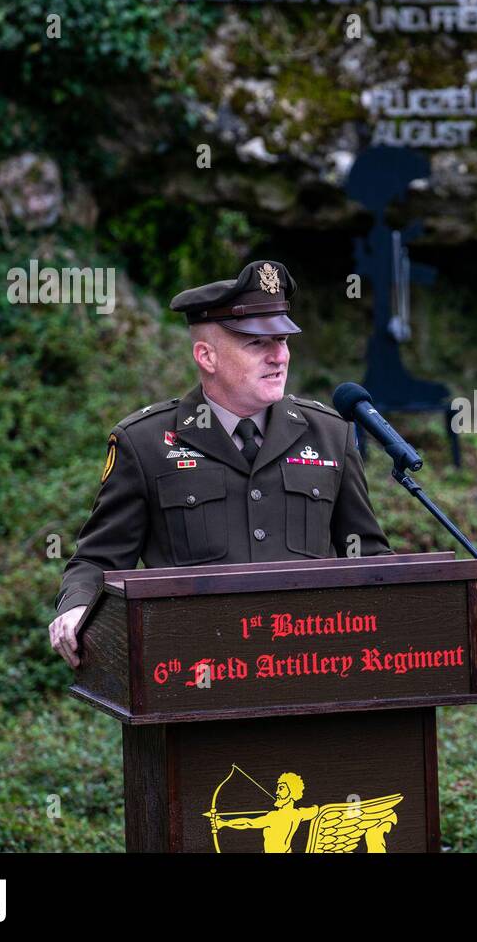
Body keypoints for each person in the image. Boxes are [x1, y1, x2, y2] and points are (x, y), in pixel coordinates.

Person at [48, 260, 392, 666]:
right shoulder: (145, 444)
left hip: (311, 669)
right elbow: (99, 561)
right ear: (206, 356)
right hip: (192, 673)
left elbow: (368, 558)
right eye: (257, 344)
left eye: (282, 340)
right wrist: (76, 607)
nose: (278, 356)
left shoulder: (329, 434)